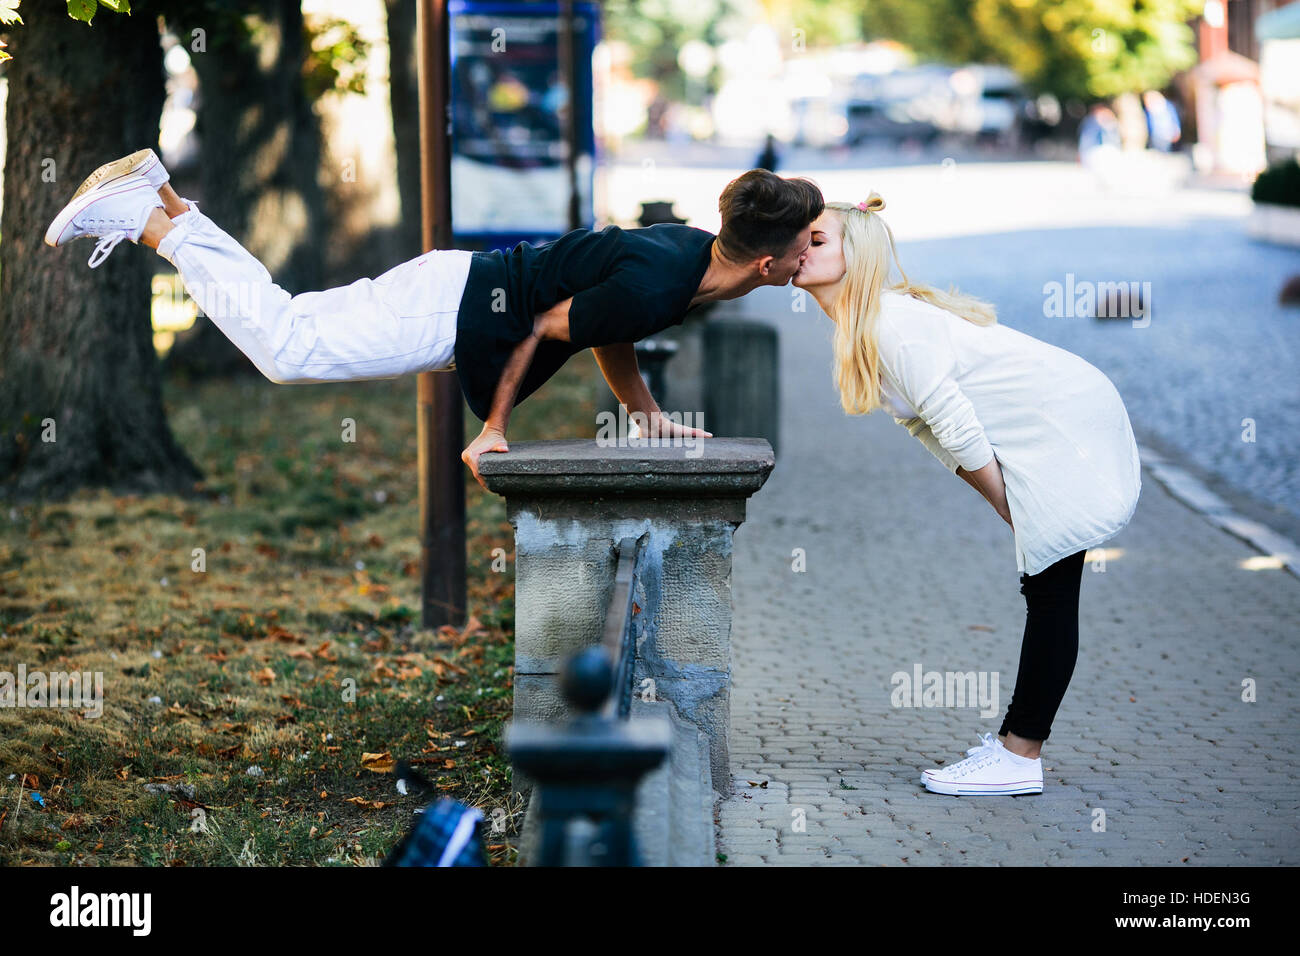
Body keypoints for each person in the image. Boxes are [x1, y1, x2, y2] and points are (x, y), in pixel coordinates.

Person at [45, 151, 824, 487]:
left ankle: (163, 199)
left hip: (454, 289)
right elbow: (554, 326)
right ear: (767, 265)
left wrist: (643, 413)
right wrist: (495, 425)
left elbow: (601, 324)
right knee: (284, 347)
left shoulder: (688, 255)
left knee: (288, 323)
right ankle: (150, 220)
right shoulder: (666, 284)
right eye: (802, 253)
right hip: (451, 310)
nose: (806, 263)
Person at [793, 193, 1141, 796]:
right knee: (1048, 588)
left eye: (817, 241)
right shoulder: (864, 324)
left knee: (1051, 592)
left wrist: (1013, 505)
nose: (800, 250)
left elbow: (956, 423)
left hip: (1065, 430)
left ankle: (1019, 756)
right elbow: (927, 429)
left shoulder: (887, 321)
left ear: (858, 253)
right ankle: (1017, 750)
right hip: (1042, 438)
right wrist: (1009, 505)